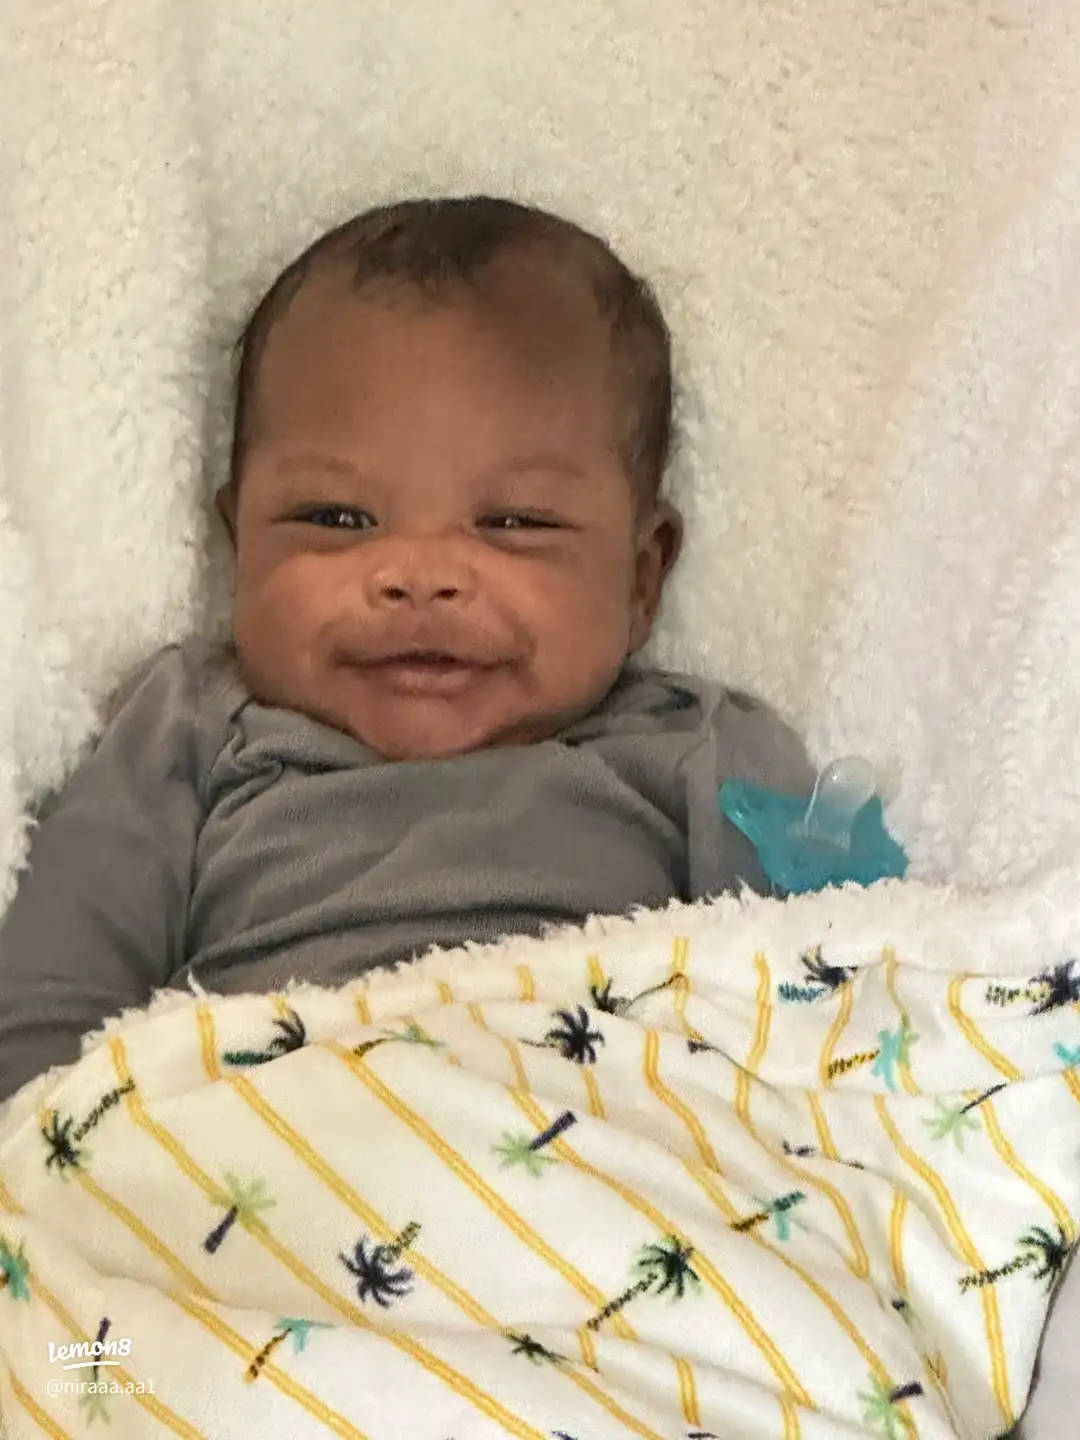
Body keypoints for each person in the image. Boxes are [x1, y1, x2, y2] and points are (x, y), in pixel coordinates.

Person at [0, 195, 812, 1103]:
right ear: (239, 545)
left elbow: (847, 986)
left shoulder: (701, 750)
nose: (419, 576)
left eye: (515, 523)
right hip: (256, 1168)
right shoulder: (192, 726)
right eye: (335, 518)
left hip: (603, 1157)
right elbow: (48, 996)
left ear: (640, 576)